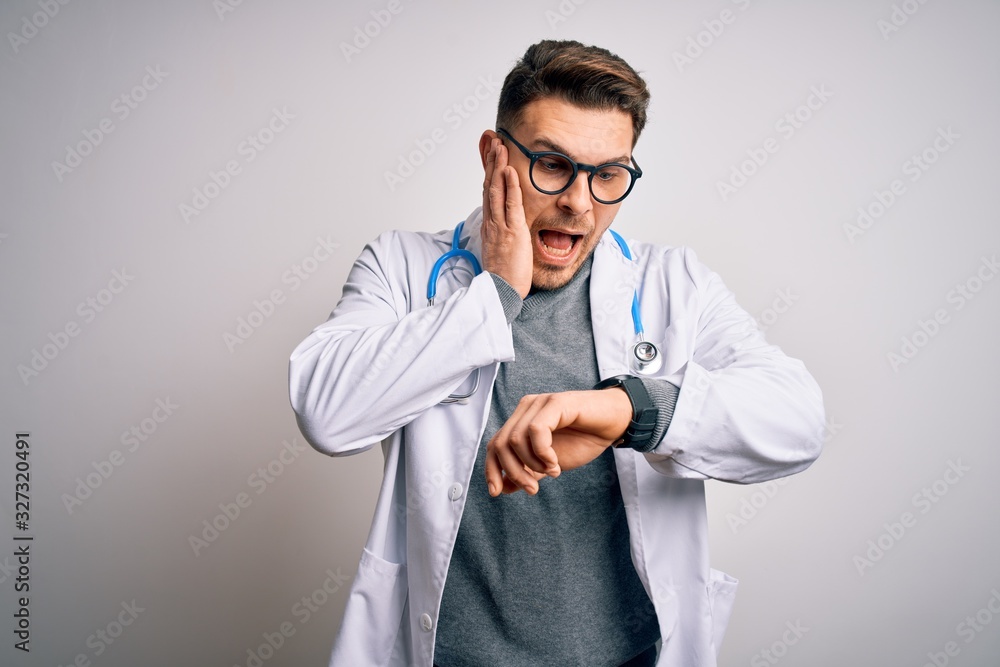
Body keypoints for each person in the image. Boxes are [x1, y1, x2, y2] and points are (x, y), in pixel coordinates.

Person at [288, 39, 825, 667]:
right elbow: (327, 411)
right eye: (552, 164)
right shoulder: (404, 267)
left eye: (609, 175)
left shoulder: (672, 284)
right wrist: (495, 295)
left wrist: (629, 411)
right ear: (494, 157)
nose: (579, 201)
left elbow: (798, 420)